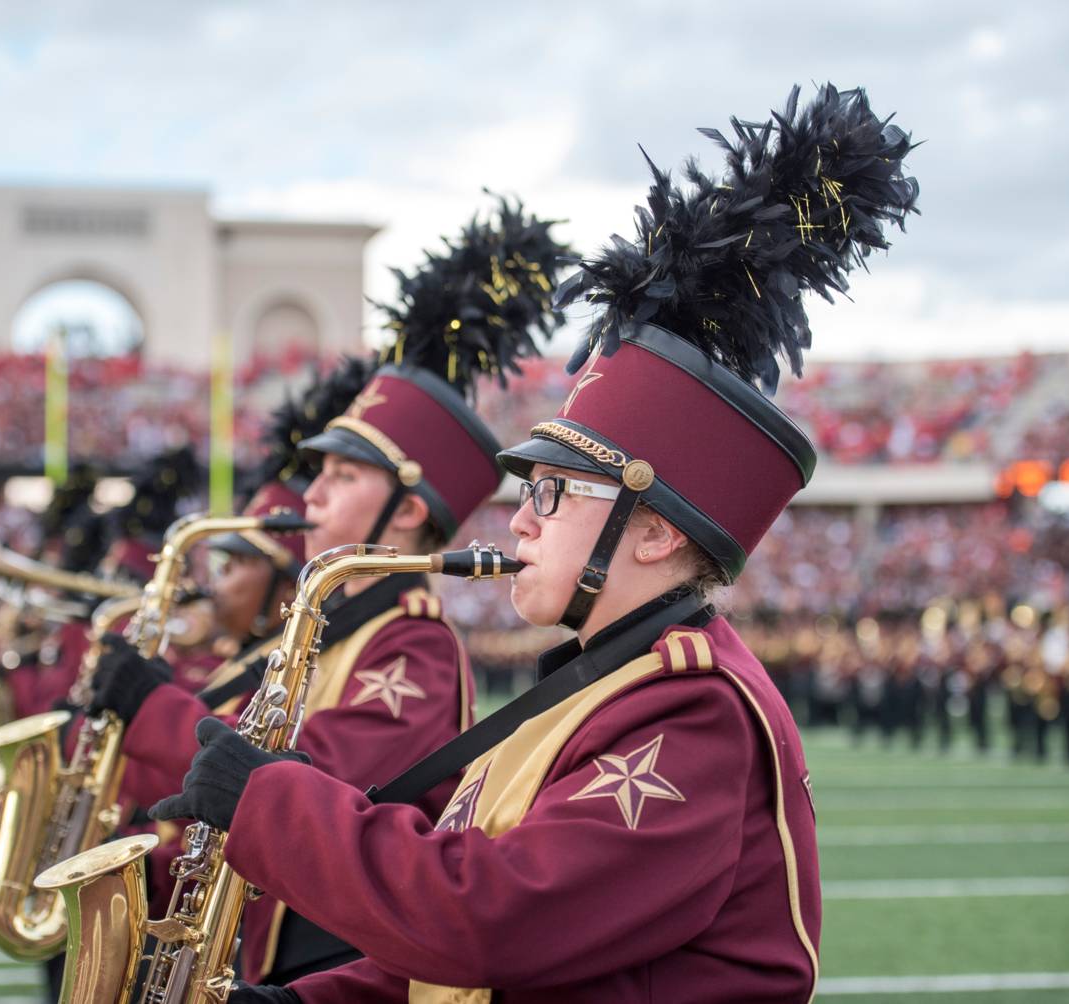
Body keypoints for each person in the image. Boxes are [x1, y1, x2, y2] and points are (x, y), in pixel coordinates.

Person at [151, 83, 918, 1002]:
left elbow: (490, 923)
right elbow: (451, 976)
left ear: (658, 531)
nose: (519, 519)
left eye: (553, 492)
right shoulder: (589, 688)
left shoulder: (696, 712)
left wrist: (270, 804)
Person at [87, 196, 570, 985]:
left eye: (343, 476)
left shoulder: (415, 644)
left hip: (325, 966)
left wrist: (151, 706)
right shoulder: (333, 629)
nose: (309, 496)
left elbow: (313, 776)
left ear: (407, 511)